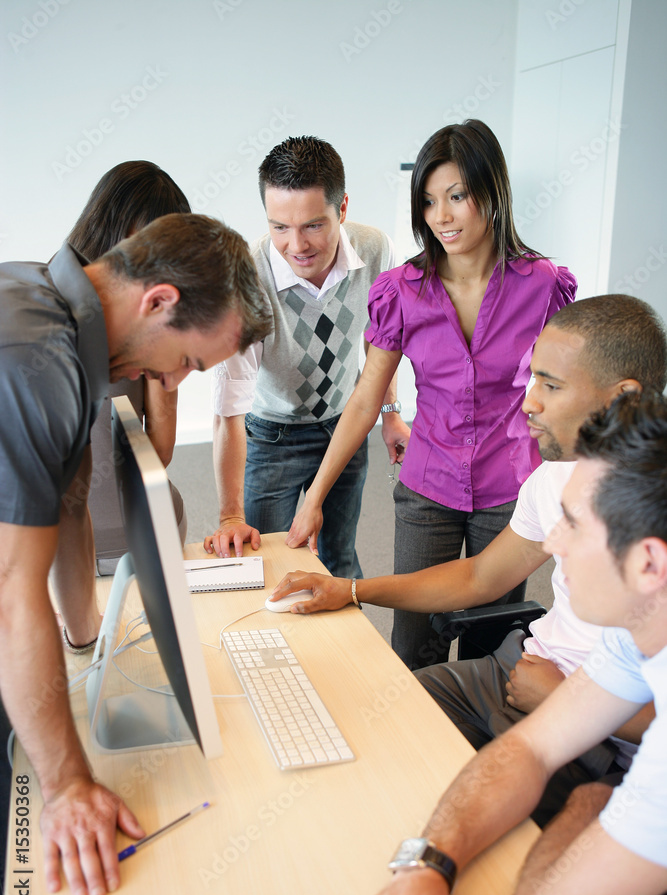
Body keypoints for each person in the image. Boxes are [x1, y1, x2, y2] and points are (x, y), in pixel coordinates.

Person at [270, 295, 665, 823]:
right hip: (515, 671)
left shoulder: (651, 515)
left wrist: (566, 698)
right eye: (533, 380)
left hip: (593, 732)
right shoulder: (556, 477)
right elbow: (481, 575)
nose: (529, 403)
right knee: (359, 726)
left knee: (432, 804)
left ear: (623, 398)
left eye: (550, 385)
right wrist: (354, 591)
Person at [355, 389, 667, 895]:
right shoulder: (640, 627)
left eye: (574, 526)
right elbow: (530, 747)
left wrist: (593, 800)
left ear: (649, 563)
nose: (552, 546)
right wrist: (427, 864)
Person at [0, 212, 271, 895]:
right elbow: (9, 595)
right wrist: (67, 788)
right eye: (188, 361)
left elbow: (61, 505)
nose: (173, 382)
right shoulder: (38, 363)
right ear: (159, 301)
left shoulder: (41, 301)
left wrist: (84, 640)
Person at [285, 120, 577, 670]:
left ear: (492, 192)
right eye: (429, 200)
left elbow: (569, 392)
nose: (441, 216)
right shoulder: (402, 292)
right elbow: (367, 397)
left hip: (510, 487)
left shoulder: (543, 286)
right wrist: (315, 496)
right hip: (428, 485)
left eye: (458, 196)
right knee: (414, 644)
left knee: (491, 644)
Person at [203, 135, 405, 578]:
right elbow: (229, 410)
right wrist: (230, 516)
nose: (296, 245)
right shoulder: (246, 276)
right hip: (270, 437)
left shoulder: (376, 252)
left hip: (345, 427)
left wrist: (390, 415)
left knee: (340, 562)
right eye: (279, 227)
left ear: (343, 208)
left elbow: (379, 347)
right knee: (260, 566)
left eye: (313, 225)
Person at [56, 161, 191, 665]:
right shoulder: (57, 312)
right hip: (69, 545)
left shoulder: (155, 314)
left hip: (145, 529)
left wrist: (166, 374)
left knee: (152, 668)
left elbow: (157, 456)